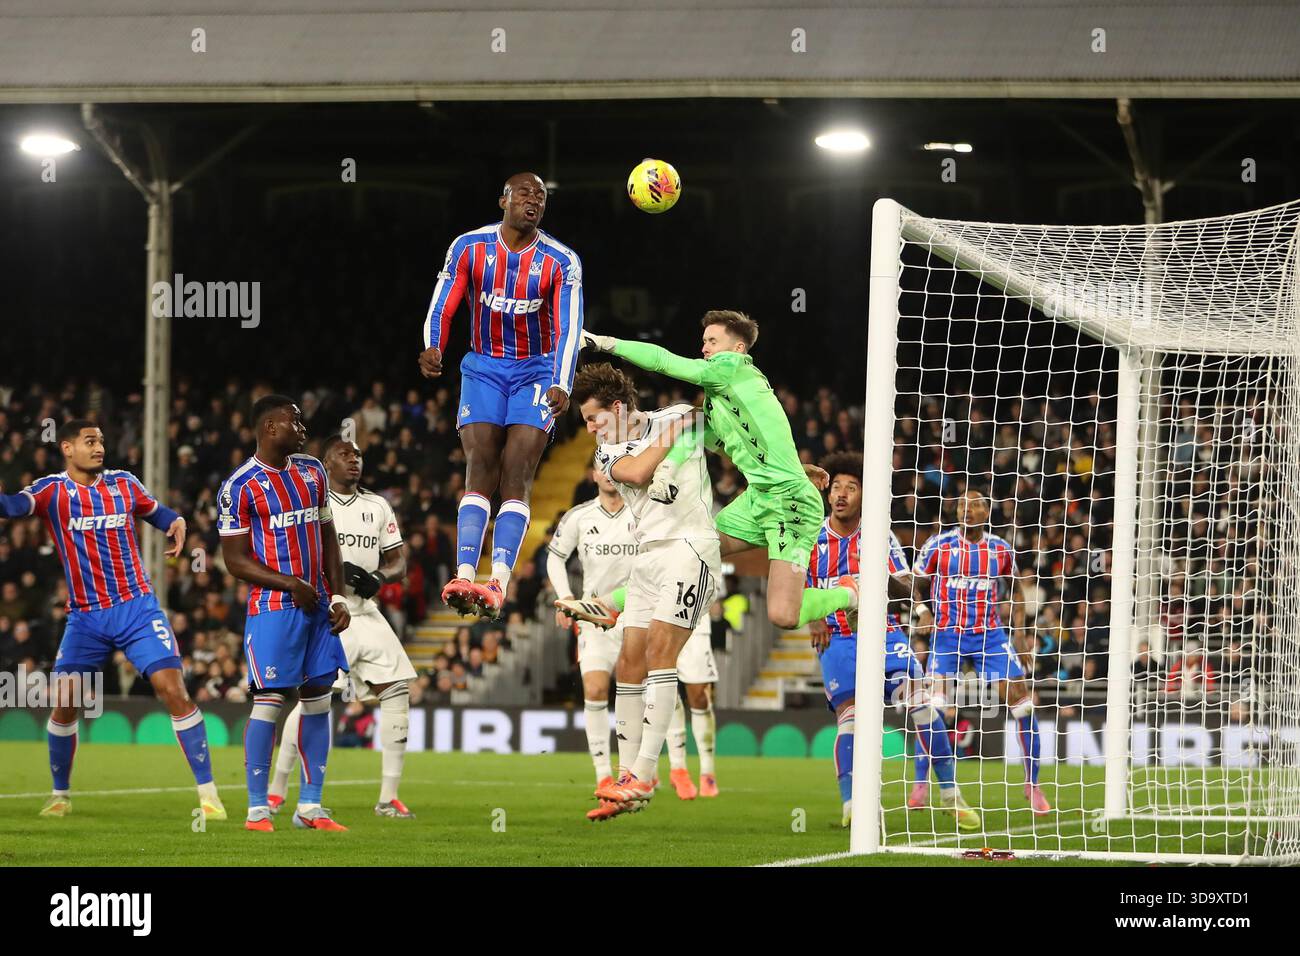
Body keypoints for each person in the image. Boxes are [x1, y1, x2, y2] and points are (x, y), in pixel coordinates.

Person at [0, 419, 224, 821]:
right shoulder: (53, 491)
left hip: (136, 607)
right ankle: (60, 795)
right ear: (67, 448)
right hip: (86, 617)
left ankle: (209, 796)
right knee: (65, 702)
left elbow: (156, 511)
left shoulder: (124, 483)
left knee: (172, 690)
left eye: (101, 440)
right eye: (90, 441)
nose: (99, 446)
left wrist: (176, 521)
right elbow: (16, 506)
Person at [581, 310, 854, 631]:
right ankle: (612, 605)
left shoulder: (730, 369)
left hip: (789, 504)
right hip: (759, 498)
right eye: (703, 342)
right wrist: (796, 465)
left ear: (738, 349)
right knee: (691, 552)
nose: (705, 348)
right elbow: (734, 442)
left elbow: (664, 361)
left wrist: (604, 343)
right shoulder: (720, 398)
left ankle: (848, 593)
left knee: (784, 615)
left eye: (713, 341)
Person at [419, 172, 585, 620]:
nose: (534, 201)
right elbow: (444, 302)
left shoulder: (562, 260)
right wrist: (434, 344)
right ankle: (464, 572)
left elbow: (570, 327)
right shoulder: (469, 247)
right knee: (480, 465)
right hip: (483, 368)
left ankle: (498, 582)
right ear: (503, 200)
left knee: (517, 469)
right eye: (525, 193)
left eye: (542, 196)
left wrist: (561, 380)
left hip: (536, 371)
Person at [567, 364, 717, 819]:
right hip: (646, 556)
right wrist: (679, 430)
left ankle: (645, 776)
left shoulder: (674, 415)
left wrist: (784, 472)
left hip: (690, 546)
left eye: (593, 419)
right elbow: (635, 472)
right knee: (628, 661)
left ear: (616, 408)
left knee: (657, 650)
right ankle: (626, 774)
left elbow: (729, 445)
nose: (590, 430)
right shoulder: (613, 448)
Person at [807, 452, 977, 830]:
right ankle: (851, 806)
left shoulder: (879, 535)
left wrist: (885, 587)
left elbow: (906, 584)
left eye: (851, 488)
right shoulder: (812, 537)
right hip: (838, 638)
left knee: (921, 703)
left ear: (863, 495)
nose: (842, 494)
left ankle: (950, 795)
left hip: (884, 633)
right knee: (849, 721)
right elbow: (796, 583)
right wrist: (813, 617)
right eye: (836, 487)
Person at [218, 395, 351, 832]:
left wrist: (339, 596)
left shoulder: (312, 472)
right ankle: (258, 808)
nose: (303, 429)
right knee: (270, 702)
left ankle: (310, 807)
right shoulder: (239, 486)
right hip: (275, 609)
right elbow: (235, 561)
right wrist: (290, 583)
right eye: (295, 423)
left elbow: (328, 535)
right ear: (270, 428)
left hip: (318, 610)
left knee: (318, 702)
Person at [267, 435, 418, 820]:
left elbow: (399, 560)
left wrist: (379, 579)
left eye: (358, 455)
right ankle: (277, 789)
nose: (354, 460)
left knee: (398, 688)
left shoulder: (378, 505)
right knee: (314, 700)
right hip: (328, 613)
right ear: (325, 463)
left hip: (366, 610)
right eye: (344, 454)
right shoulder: (313, 503)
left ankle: (388, 798)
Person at [912, 488, 1051, 815]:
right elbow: (912, 583)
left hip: (990, 636)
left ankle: (1032, 784)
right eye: (962, 505)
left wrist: (1018, 635)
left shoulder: (1000, 549)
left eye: (974, 505)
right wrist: (922, 611)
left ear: (987, 512)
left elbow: (1016, 592)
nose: (967, 510)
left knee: (1024, 706)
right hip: (947, 636)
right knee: (930, 708)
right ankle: (921, 783)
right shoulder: (939, 545)